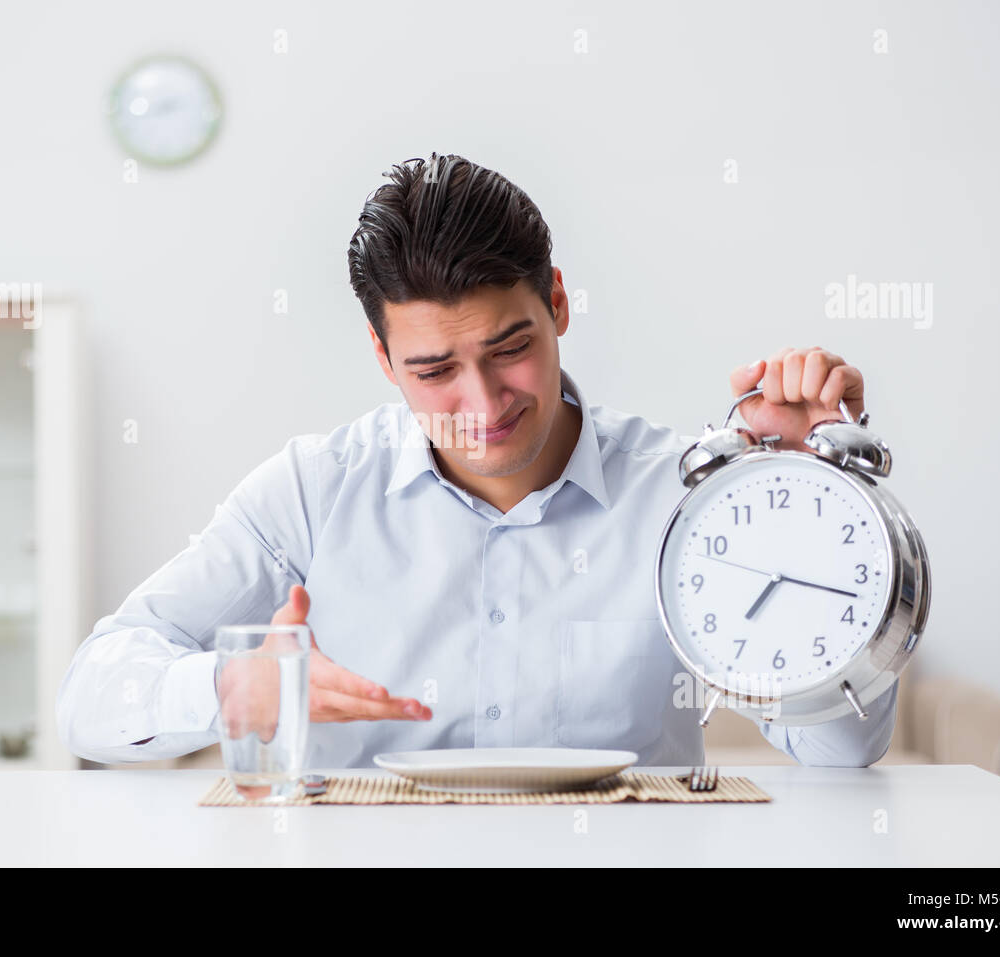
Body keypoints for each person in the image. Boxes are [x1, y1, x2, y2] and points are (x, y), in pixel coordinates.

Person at [55, 152, 897, 769]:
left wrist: (809, 497)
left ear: (557, 303)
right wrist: (232, 689)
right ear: (385, 361)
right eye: (433, 371)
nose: (485, 404)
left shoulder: (690, 497)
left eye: (510, 349)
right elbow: (90, 691)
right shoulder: (312, 495)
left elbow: (841, 750)